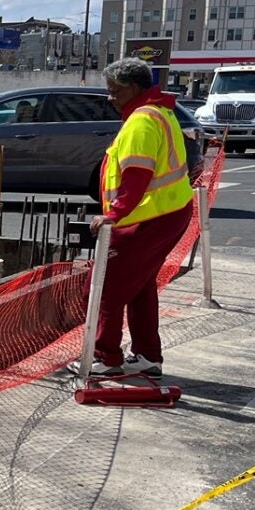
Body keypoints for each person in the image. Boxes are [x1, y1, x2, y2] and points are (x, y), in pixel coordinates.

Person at [85, 57, 194, 377]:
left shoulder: (142, 121)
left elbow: (136, 176)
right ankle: (147, 355)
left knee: (107, 284)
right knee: (141, 284)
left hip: (149, 216)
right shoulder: (159, 112)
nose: (110, 97)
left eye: (114, 91)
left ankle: (107, 358)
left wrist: (115, 216)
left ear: (133, 88)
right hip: (165, 212)